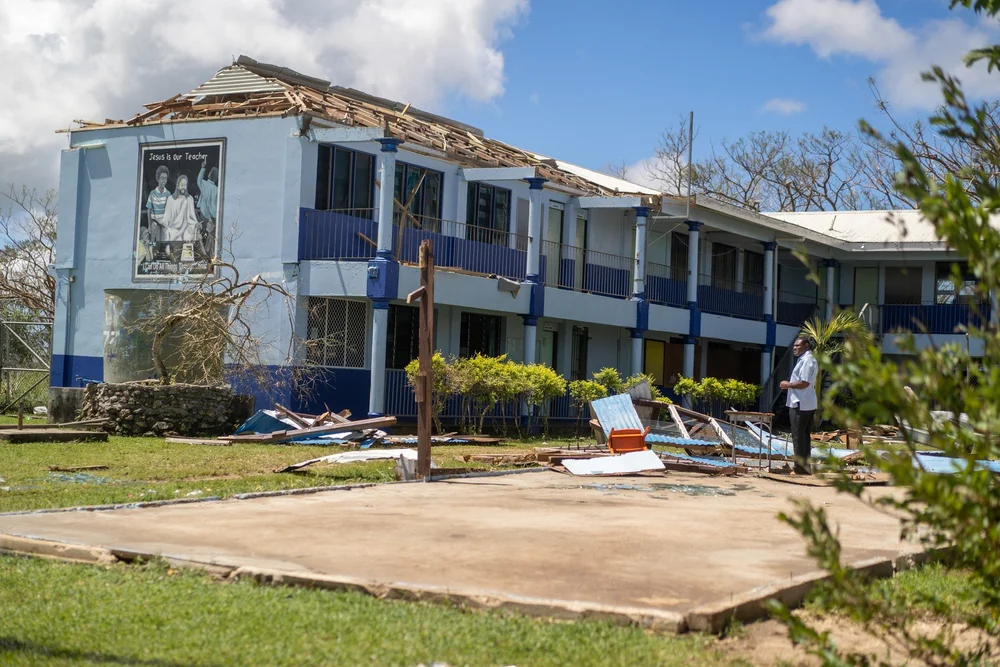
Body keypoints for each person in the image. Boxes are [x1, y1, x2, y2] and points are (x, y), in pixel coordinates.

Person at [780, 336, 818, 475]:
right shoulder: (805, 359)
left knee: (798, 436)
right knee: (803, 436)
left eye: (798, 345)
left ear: (806, 346)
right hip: (805, 402)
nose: (794, 348)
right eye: (794, 345)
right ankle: (805, 467)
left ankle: (800, 468)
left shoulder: (807, 360)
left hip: (801, 403)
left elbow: (804, 383)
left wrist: (788, 385)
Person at [161, 174, 199, 256]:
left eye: (185, 185)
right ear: (177, 185)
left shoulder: (189, 199)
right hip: (174, 228)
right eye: (182, 185)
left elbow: (192, 217)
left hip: (186, 228)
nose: (183, 187)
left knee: (189, 234)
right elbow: (167, 217)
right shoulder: (171, 199)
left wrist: (195, 224)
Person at [145, 165, 171, 243]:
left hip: (164, 223)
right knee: (155, 242)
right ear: (158, 179)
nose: (164, 181)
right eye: (162, 178)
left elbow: (169, 211)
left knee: (164, 242)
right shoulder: (152, 193)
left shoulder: (168, 194)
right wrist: (149, 225)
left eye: (165, 178)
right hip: (155, 223)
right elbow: (149, 210)